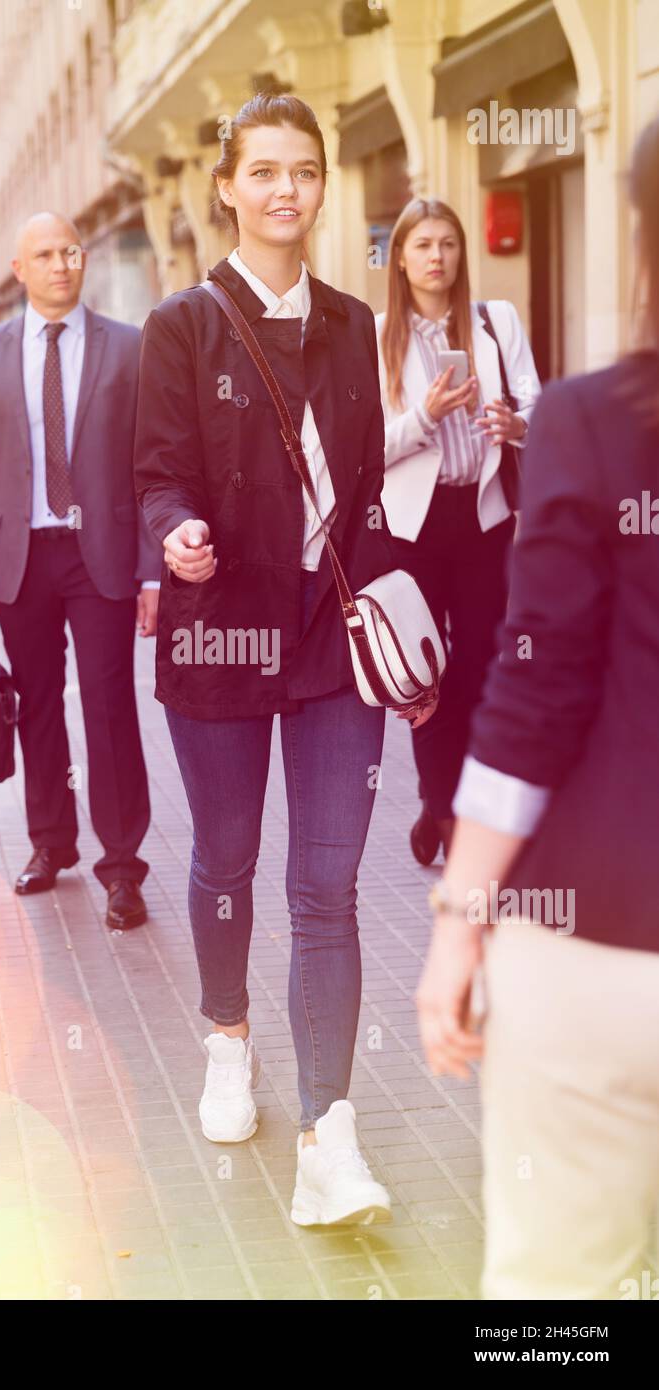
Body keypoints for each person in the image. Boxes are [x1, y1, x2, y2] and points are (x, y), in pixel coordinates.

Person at [135, 94, 434, 1227]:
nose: (283, 191)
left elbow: (362, 497)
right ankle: (226, 1038)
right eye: (261, 171)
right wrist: (176, 530)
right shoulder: (182, 327)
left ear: (320, 185)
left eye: (302, 171)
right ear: (226, 186)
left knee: (326, 887)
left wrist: (405, 631)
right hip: (218, 634)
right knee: (221, 861)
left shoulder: (355, 323)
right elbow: (154, 471)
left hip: (324, 644)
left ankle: (329, 1139)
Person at [416, 113, 659, 1298]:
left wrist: (458, 926)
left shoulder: (593, 421)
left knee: (557, 1307)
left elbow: (535, 689)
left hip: (596, 944)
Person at [0, 212, 161, 927]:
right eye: (44, 254)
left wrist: (152, 572)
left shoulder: (129, 348)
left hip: (99, 553)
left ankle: (123, 866)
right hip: (20, 558)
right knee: (37, 703)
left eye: (70, 251)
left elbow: (148, 468)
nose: (61, 264)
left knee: (109, 706)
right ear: (19, 268)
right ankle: (50, 844)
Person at [376, 198, 540, 860]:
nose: (436, 257)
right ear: (402, 258)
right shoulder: (379, 333)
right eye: (422, 246)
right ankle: (438, 807)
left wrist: (517, 424)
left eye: (446, 244)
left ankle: (465, 805)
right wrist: (424, 415)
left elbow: (535, 397)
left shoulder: (495, 321)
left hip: (483, 517)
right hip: (413, 527)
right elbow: (363, 451)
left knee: (479, 664)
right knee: (424, 673)